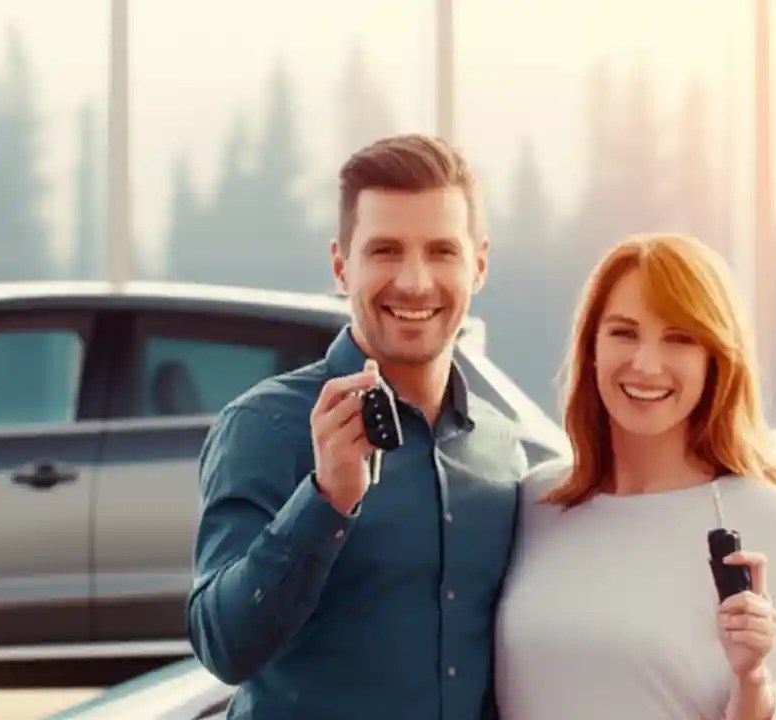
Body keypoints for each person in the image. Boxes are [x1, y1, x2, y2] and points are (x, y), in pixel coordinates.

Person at [186, 134, 532, 720]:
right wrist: (326, 500)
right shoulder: (265, 426)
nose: (415, 282)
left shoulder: (501, 447)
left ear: (479, 265)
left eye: (441, 251)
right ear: (341, 266)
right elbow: (222, 646)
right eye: (385, 251)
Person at [493, 233, 776, 719]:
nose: (646, 365)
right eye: (624, 333)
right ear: (591, 347)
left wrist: (752, 678)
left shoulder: (764, 517)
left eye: (679, 338)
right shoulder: (536, 501)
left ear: (715, 361)